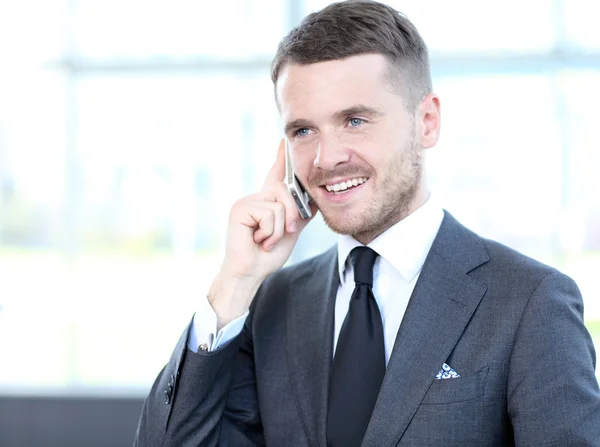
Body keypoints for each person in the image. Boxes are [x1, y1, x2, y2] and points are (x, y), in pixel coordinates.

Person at [134, 1, 600, 445]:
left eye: (354, 120)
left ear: (428, 122)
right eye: (303, 130)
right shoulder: (273, 301)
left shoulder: (529, 302)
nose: (326, 157)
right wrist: (234, 283)